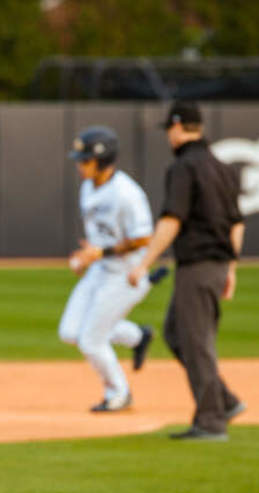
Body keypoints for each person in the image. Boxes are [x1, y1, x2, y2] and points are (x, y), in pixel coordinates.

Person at [129, 100, 246, 441]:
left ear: (178, 127)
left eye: (169, 128)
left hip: (197, 265)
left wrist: (144, 264)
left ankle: (211, 421)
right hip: (216, 264)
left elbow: (172, 220)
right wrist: (231, 268)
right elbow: (237, 224)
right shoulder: (222, 167)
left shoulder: (184, 167)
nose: (169, 135)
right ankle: (225, 401)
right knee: (176, 333)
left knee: (196, 342)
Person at [59, 125, 167, 413]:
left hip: (126, 274)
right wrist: (87, 256)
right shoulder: (88, 187)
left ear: (103, 161)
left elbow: (144, 237)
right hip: (100, 269)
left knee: (90, 340)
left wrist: (102, 252)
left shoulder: (126, 193)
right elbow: (100, 237)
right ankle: (137, 336)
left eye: (86, 160)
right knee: (70, 332)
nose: (80, 166)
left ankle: (119, 393)